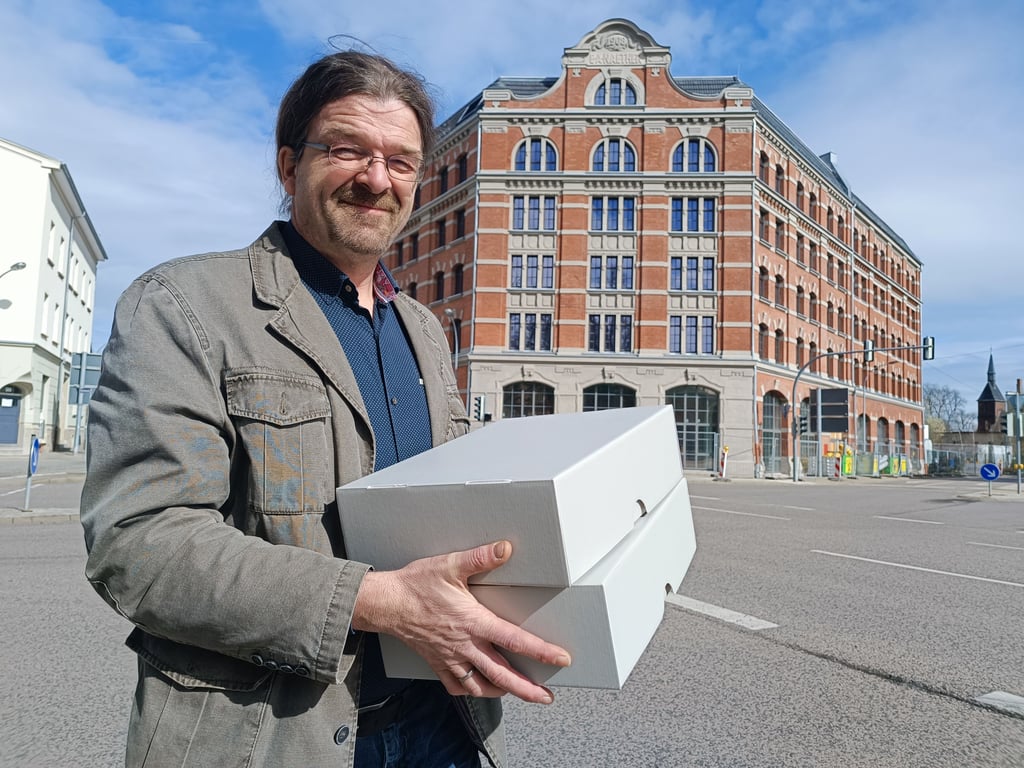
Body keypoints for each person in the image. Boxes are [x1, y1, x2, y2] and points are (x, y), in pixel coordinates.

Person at [80, 50, 570, 768]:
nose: (376, 178)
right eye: (347, 150)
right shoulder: (185, 307)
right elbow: (139, 544)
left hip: (444, 725)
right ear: (289, 167)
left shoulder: (426, 330)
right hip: (270, 738)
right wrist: (378, 603)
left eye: (400, 161)